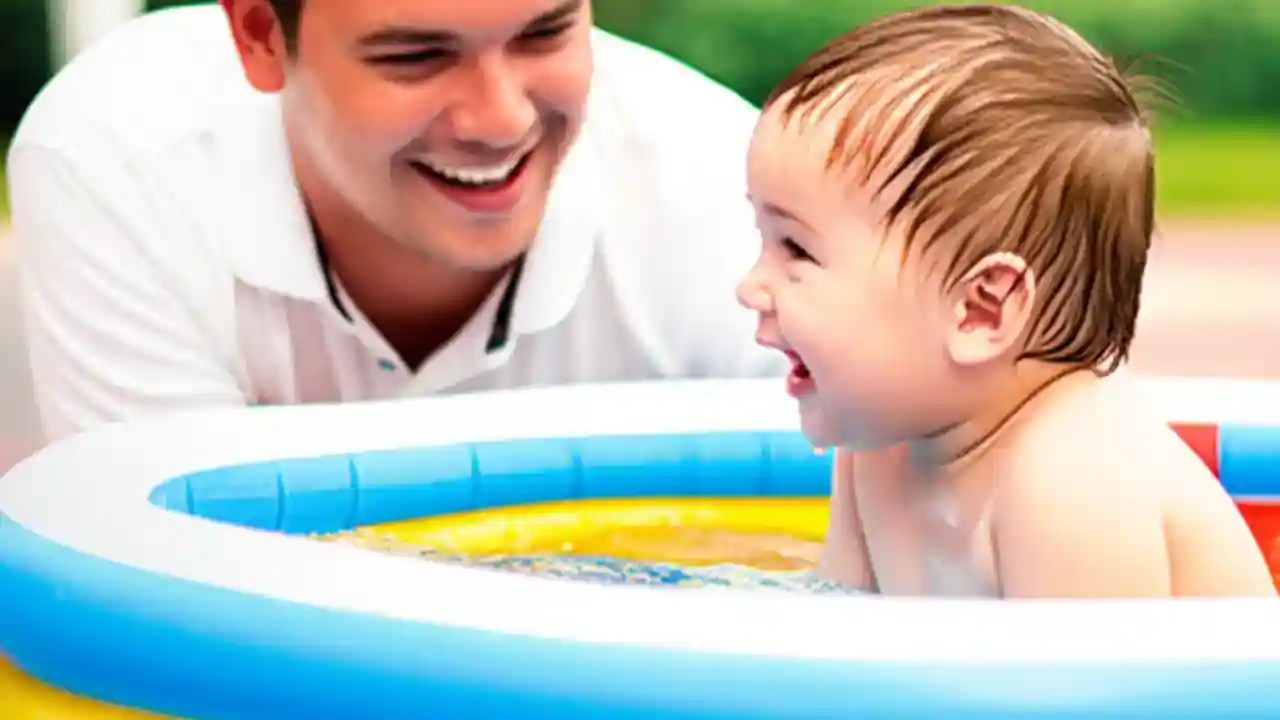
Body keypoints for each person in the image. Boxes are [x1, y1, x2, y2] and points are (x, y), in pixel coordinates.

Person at [8, 0, 784, 446]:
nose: (499, 119)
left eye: (544, 34)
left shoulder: (720, 188)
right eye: (416, 56)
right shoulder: (122, 155)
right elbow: (169, 583)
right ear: (258, 36)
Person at [735, 4, 1276, 598]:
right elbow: (829, 636)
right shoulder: (880, 440)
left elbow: (1096, 690)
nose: (750, 287)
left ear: (981, 310)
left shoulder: (1071, 482)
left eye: (798, 251)